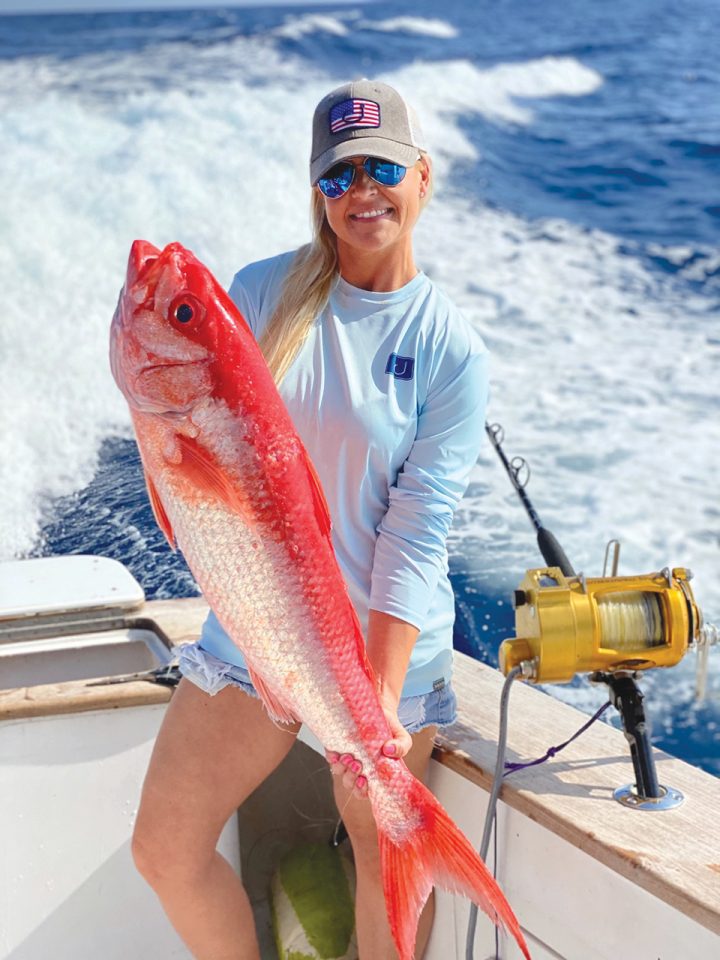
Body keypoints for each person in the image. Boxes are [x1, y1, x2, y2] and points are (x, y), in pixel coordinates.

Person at [131, 78, 489, 960]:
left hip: (384, 648)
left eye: (382, 169)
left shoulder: (451, 351)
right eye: (339, 176)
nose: (362, 191)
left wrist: (371, 713)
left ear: (422, 177)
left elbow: (416, 534)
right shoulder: (258, 296)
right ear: (317, 191)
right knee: (165, 850)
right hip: (257, 630)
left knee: (385, 859)